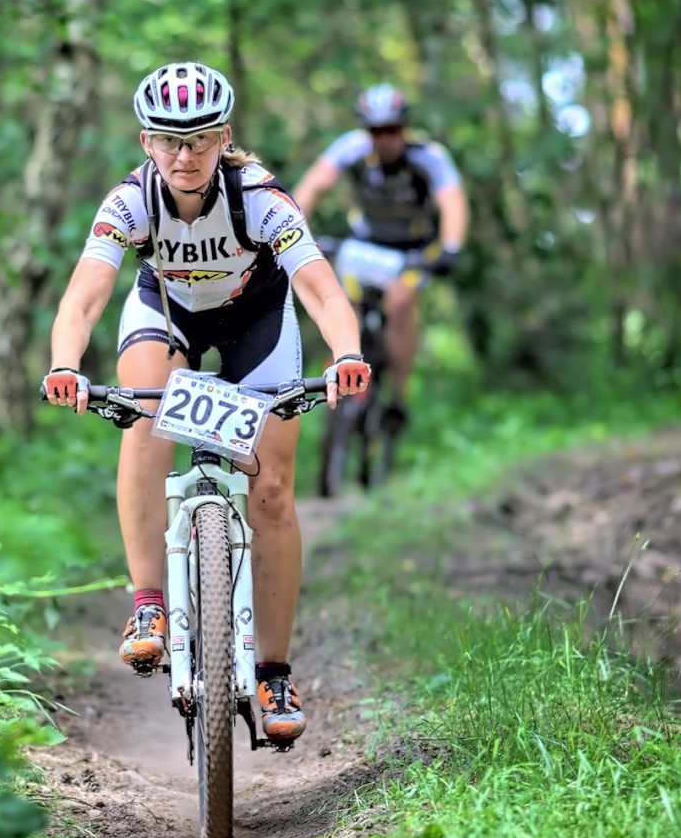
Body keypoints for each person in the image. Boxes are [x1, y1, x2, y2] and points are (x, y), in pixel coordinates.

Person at [42, 61, 371, 744]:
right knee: (144, 418)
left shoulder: (261, 199)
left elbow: (319, 288)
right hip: (169, 315)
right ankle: (147, 604)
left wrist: (345, 353)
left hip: (258, 321)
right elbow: (84, 297)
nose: (183, 156)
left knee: (271, 492)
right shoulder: (129, 202)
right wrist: (65, 364)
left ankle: (273, 672)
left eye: (198, 140)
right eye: (168, 140)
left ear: (224, 138)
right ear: (146, 142)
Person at [290, 84, 468, 432]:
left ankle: (398, 395)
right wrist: (292, 233)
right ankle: (345, 370)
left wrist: (451, 247)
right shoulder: (352, 148)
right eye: (376, 131)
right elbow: (312, 187)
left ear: (404, 128)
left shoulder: (428, 156)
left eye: (392, 130)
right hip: (367, 243)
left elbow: (452, 201)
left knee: (400, 302)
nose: (384, 138)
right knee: (342, 302)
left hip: (413, 250)